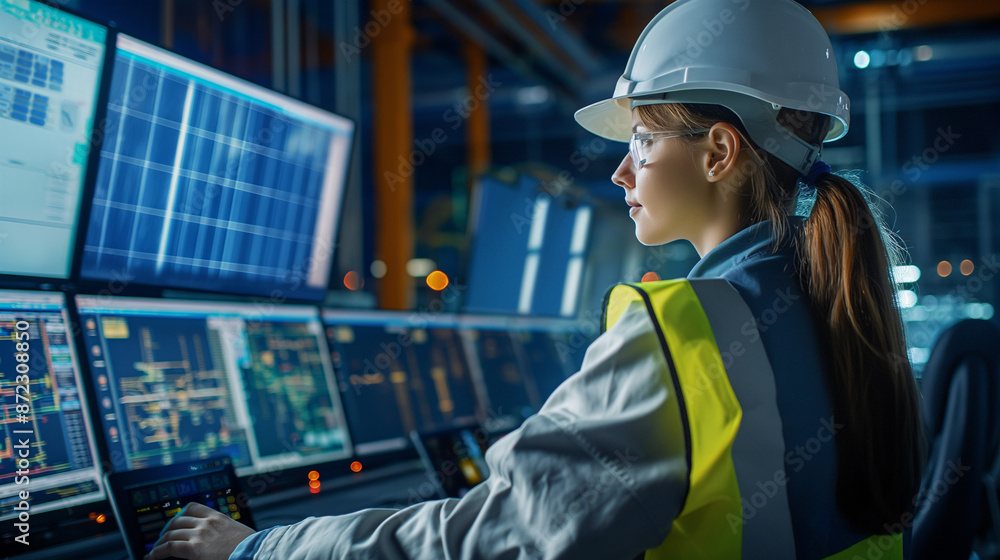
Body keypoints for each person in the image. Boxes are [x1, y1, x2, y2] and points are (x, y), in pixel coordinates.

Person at [146, 0, 925, 558]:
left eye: (646, 140)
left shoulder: (690, 331)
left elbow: (488, 539)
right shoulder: (834, 305)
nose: (622, 170)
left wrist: (259, 550)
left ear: (720, 153)